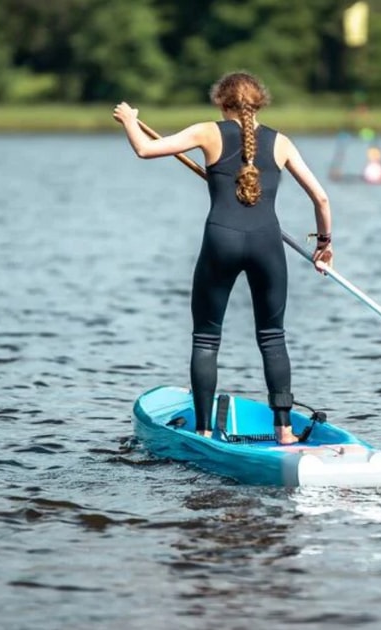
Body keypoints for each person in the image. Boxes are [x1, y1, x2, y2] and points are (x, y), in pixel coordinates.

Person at [113, 71, 333, 445]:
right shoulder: (281, 142)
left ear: (221, 101)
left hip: (221, 240)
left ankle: (202, 431)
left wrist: (130, 121)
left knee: (205, 338)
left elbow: (145, 149)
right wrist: (323, 244)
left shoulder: (207, 132)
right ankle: (284, 430)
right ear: (260, 102)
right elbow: (322, 198)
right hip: (267, 244)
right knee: (273, 336)